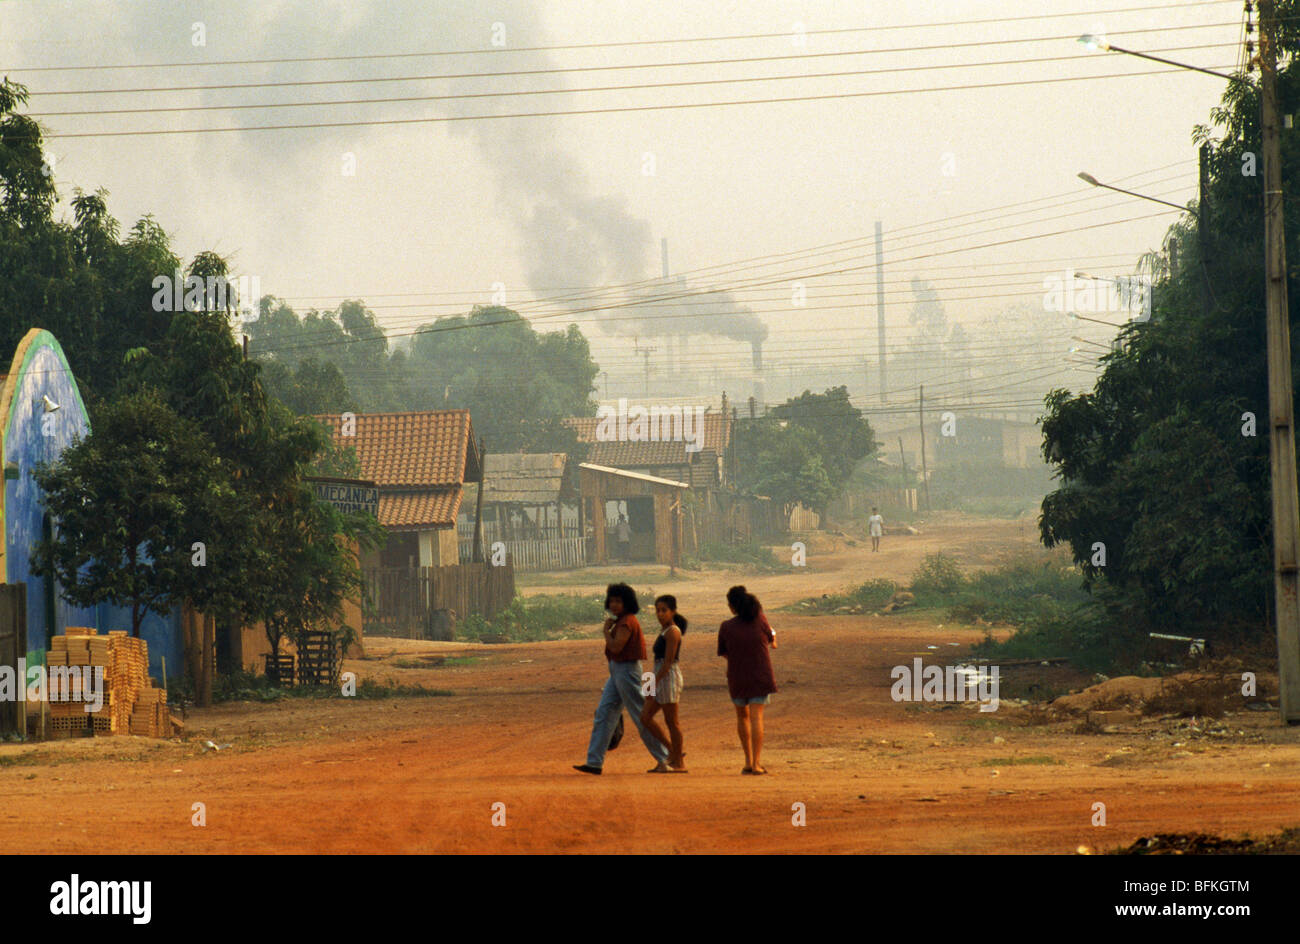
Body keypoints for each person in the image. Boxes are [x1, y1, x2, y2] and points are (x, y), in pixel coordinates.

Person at [574, 583, 671, 775]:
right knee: (604, 713)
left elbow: (616, 647)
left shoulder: (627, 622)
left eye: (619, 601)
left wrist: (605, 632)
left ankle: (665, 757)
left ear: (627, 603)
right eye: (612, 601)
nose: (614, 604)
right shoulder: (621, 621)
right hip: (618, 670)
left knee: (640, 715)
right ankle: (594, 762)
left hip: (626, 670)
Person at [718, 586, 777, 775]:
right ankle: (757, 763)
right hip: (760, 675)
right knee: (756, 717)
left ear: (733, 607)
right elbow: (771, 640)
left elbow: (725, 653)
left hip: (737, 676)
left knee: (741, 716)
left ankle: (747, 761)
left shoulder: (726, 627)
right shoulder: (760, 619)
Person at [640, 594, 687, 773]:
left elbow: (667, 664)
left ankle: (678, 762)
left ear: (673, 612)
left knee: (672, 722)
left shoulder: (673, 632)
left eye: (664, 610)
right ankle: (674, 754)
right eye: (658, 610)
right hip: (660, 676)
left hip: (668, 678)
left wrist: (651, 684)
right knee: (645, 717)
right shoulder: (665, 631)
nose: (660, 614)